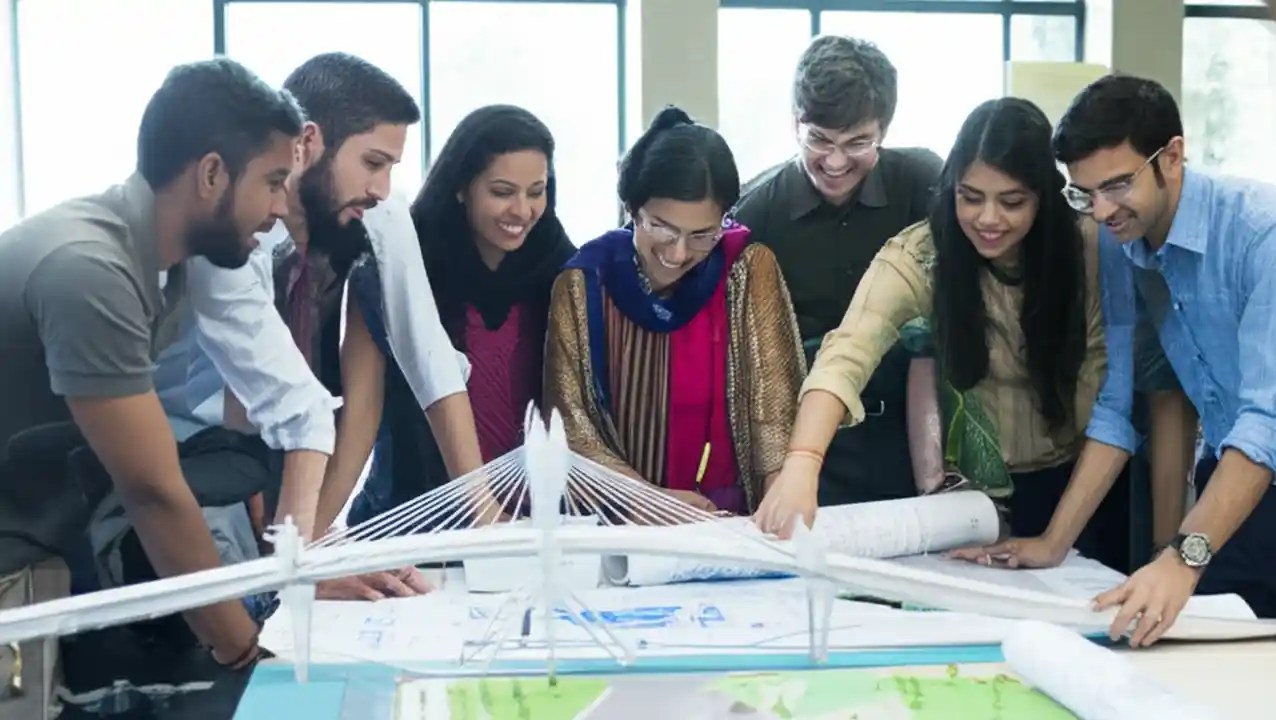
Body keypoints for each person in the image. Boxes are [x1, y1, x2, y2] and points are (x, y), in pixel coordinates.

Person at [0, 58, 302, 674]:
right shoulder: (89, 270)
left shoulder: (167, 269)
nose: (281, 207)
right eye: (272, 181)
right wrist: (248, 654)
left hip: (41, 550)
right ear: (213, 174)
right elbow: (153, 490)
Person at [957, 74, 1276, 645]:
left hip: (1257, 460)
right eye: (1084, 192)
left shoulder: (1262, 234)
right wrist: (1055, 542)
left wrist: (1183, 557)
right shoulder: (1119, 237)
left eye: (1117, 185)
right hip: (1229, 478)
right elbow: (1116, 401)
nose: (1101, 210)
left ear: (1172, 156)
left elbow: (1266, 422)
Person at [156, 53, 481, 601]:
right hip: (190, 453)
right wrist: (299, 564)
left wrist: (486, 515)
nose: (382, 187)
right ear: (309, 143)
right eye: (373, 162)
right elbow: (257, 406)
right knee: (241, 623)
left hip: (290, 454)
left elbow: (430, 361)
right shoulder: (236, 232)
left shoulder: (375, 214)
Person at [755, 98, 1130, 567]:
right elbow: (846, 353)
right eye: (970, 197)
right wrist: (803, 462)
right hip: (985, 497)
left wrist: (1056, 540)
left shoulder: (1094, 252)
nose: (988, 219)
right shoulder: (922, 254)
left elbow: (1118, 406)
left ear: (1044, 196)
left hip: (1091, 484)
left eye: (1012, 201)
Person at [544, 106, 806, 515]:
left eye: (703, 234)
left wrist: (778, 503)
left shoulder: (747, 269)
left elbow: (773, 410)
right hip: (624, 517)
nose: (679, 252)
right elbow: (570, 426)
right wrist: (647, 500)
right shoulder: (585, 283)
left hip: (728, 519)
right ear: (633, 209)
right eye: (662, 227)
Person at [731, 35, 943, 508]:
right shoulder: (755, 213)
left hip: (918, 431)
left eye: (857, 143)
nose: (835, 161)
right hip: (805, 446)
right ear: (794, 124)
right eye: (819, 141)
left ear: (884, 130)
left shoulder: (923, 184)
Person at [341, 105, 575, 527]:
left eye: (536, 191)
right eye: (503, 192)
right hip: (416, 522)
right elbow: (362, 411)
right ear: (461, 187)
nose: (522, 211)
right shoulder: (402, 267)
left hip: (533, 523)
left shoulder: (562, 270)